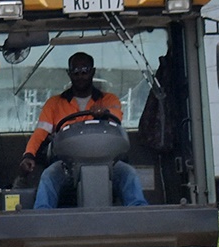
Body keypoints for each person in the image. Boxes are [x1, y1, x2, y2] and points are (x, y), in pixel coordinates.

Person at [17, 52, 147, 210]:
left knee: (129, 174)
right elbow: (40, 133)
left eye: (84, 71)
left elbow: (116, 117)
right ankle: (42, 219)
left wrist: (104, 113)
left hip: (108, 162)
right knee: (48, 176)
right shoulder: (54, 104)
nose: (80, 76)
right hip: (66, 165)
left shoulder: (109, 100)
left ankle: (139, 213)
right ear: (69, 73)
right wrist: (29, 155)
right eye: (76, 72)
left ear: (92, 71)